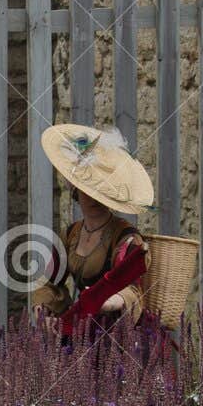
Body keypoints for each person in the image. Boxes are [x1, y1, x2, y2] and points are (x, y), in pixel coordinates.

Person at [30, 124, 154, 346]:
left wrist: (110, 301)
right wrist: (43, 311)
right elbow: (49, 282)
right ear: (76, 190)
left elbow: (134, 290)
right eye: (88, 189)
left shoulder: (126, 238)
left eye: (101, 190)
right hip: (80, 334)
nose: (94, 198)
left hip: (118, 339)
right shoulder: (71, 234)